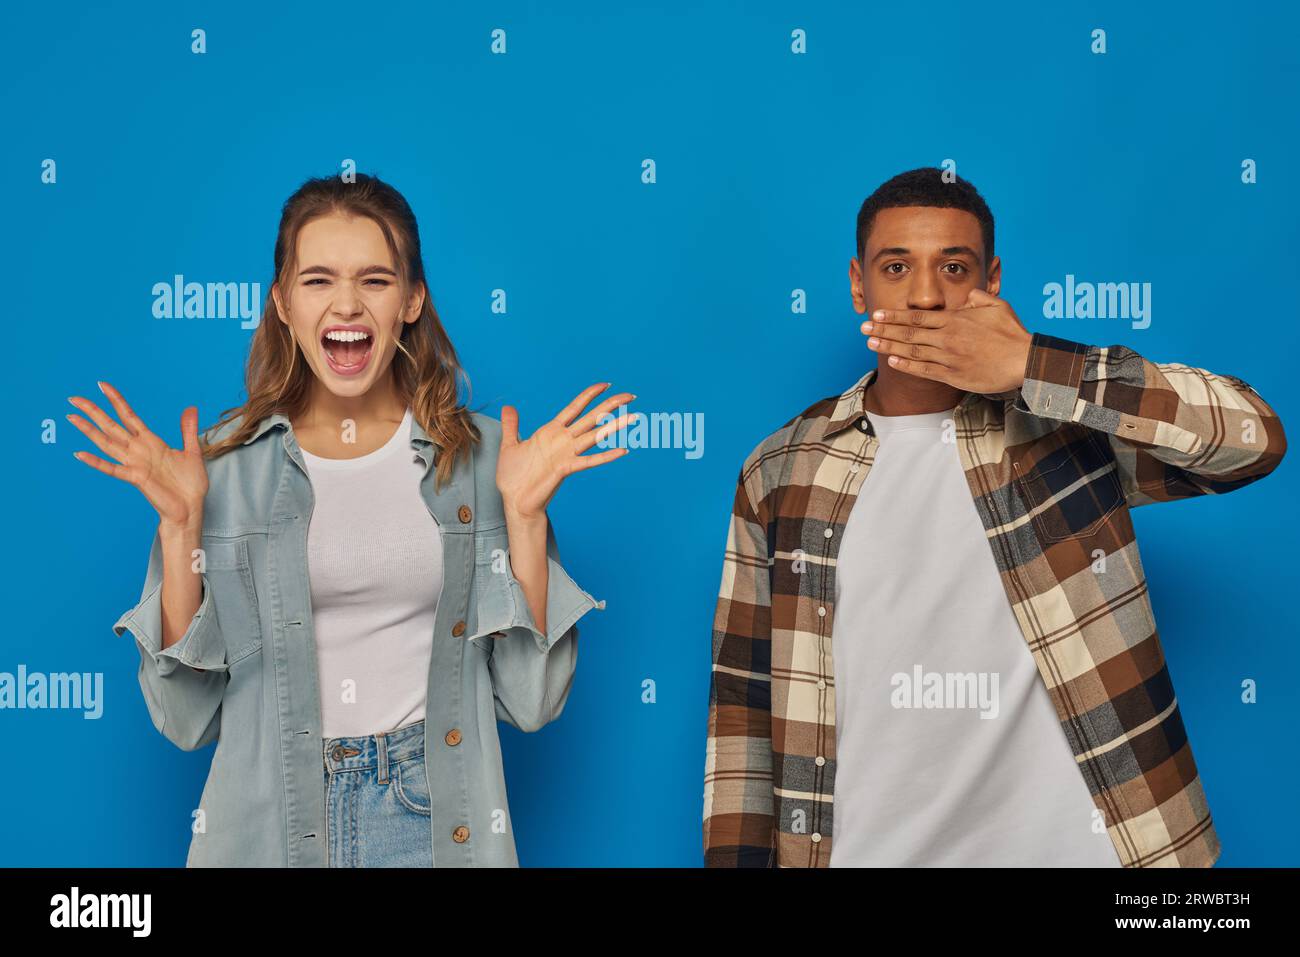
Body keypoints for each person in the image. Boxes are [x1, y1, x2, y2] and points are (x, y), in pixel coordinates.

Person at [702, 167, 1286, 867]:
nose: (925, 294)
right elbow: (743, 699)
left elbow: (1254, 440)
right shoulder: (784, 467)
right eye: (897, 267)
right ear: (859, 284)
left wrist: (1035, 363)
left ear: (992, 280)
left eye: (954, 267)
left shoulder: (1067, 429)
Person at [69, 172, 633, 867]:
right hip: (267, 825)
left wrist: (523, 518)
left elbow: (533, 700)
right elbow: (186, 719)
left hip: (431, 815)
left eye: (374, 279)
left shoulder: (492, 464)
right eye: (316, 280)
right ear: (281, 302)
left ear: (412, 299)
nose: (346, 303)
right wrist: (182, 526)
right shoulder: (218, 473)